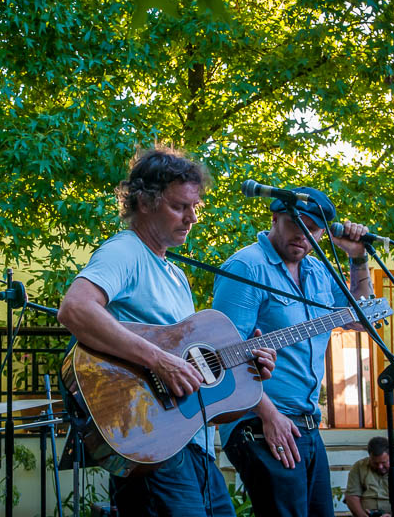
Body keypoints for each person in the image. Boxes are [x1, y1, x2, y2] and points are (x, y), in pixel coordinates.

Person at [57, 146, 276, 517]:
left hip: (190, 445)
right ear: (144, 202)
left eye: (195, 207)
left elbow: (195, 383)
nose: (192, 217)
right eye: (179, 206)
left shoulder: (175, 274)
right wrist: (160, 361)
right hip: (149, 441)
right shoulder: (125, 252)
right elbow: (75, 309)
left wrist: (246, 368)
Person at [212, 187, 373, 517]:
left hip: (307, 427)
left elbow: (363, 320)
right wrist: (270, 417)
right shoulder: (247, 267)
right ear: (274, 218)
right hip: (258, 424)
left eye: (313, 229)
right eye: (294, 223)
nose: (303, 235)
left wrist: (358, 258)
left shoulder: (319, 272)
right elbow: (223, 356)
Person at [345, 436, 394, 517]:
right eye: (375, 463)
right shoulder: (358, 467)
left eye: (384, 462)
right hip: (367, 514)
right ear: (370, 457)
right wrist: (362, 515)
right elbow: (351, 497)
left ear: (391, 456)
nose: (380, 467)